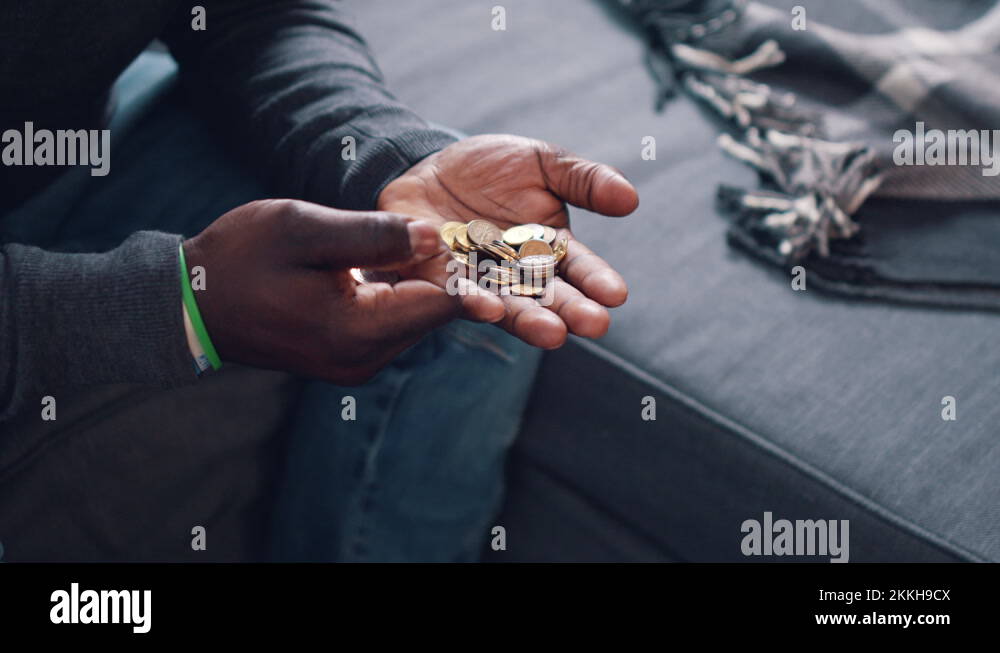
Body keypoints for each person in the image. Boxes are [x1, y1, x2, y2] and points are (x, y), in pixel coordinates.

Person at [0, 1, 638, 562]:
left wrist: (387, 155)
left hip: (65, 153)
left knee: (469, 278)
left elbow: (246, 14)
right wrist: (174, 307)